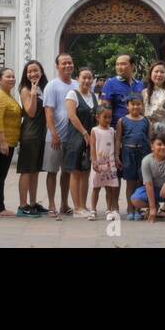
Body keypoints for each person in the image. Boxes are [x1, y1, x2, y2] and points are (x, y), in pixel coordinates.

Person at [43, 53, 79, 217]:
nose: (67, 66)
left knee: (67, 172)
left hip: (72, 138)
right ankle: (51, 204)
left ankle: (64, 204)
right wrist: (54, 134)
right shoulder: (52, 86)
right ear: (57, 66)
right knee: (52, 171)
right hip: (55, 137)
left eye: (70, 63)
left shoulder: (77, 85)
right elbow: (48, 112)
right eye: (64, 63)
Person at [64, 66, 98, 218]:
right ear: (77, 78)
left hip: (90, 140)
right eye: (84, 77)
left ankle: (83, 206)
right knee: (76, 172)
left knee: (86, 172)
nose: (87, 80)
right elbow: (72, 116)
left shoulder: (94, 96)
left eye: (89, 77)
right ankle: (77, 207)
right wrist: (85, 133)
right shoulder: (73, 94)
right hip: (76, 138)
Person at [0, 67, 22, 216]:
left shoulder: (8, 95)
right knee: (0, 174)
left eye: (13, 76)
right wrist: (2, 142)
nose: (11, 79)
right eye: (8, 76)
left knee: (1, 174)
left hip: (9, 140)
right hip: (0, 141)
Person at [16, 60, 48, 218]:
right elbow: (31, 112)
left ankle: (33, 203)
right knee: (26, 170)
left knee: (35, 170)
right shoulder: (25, 89)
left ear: (41, 72)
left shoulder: (45, 88)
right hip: (30, 134)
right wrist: (33, 92)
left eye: (36, 70)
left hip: (41, 134)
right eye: (29, 71)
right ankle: (23, 206)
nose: (33, 74)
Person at [115, 93, 150, 219]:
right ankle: (130, 209)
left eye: (138, 104)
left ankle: (138, 209)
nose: (136, 107)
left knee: (141, 182)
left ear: (142, 106)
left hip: (143, 154)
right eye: (133, 104)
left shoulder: (146, 120)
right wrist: (116, 155)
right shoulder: (122, 121)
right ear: (127, 106)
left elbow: (149, 138)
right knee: (130, 183)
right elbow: (118, 139)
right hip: (128, 154)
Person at [88, 102, 120, 220]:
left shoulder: (112, 130)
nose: (108, 119)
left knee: (109, 187)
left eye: (110, 117)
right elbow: (92, 146)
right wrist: (94, 161)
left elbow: (115, 145)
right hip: (98, 164)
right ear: (97, 117)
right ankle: (93, 210)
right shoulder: (94, 130)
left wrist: (116, 158)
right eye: (105, 117)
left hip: (110, 164)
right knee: (95, 187)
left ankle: (108, 209)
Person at [101, 54, 145, 124]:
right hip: (118, 128)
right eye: (117, 64)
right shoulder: (110, 83)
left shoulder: (140, 84)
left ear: (132, 66)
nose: (119, 67)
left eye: (123, 64)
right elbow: (104, 109)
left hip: (138, 128)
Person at [143, 61, 165, 144]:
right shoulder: (144, 93)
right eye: (156, 71)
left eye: (162, 72)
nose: (159, 74)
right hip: (148, 131)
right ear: (150, 73)